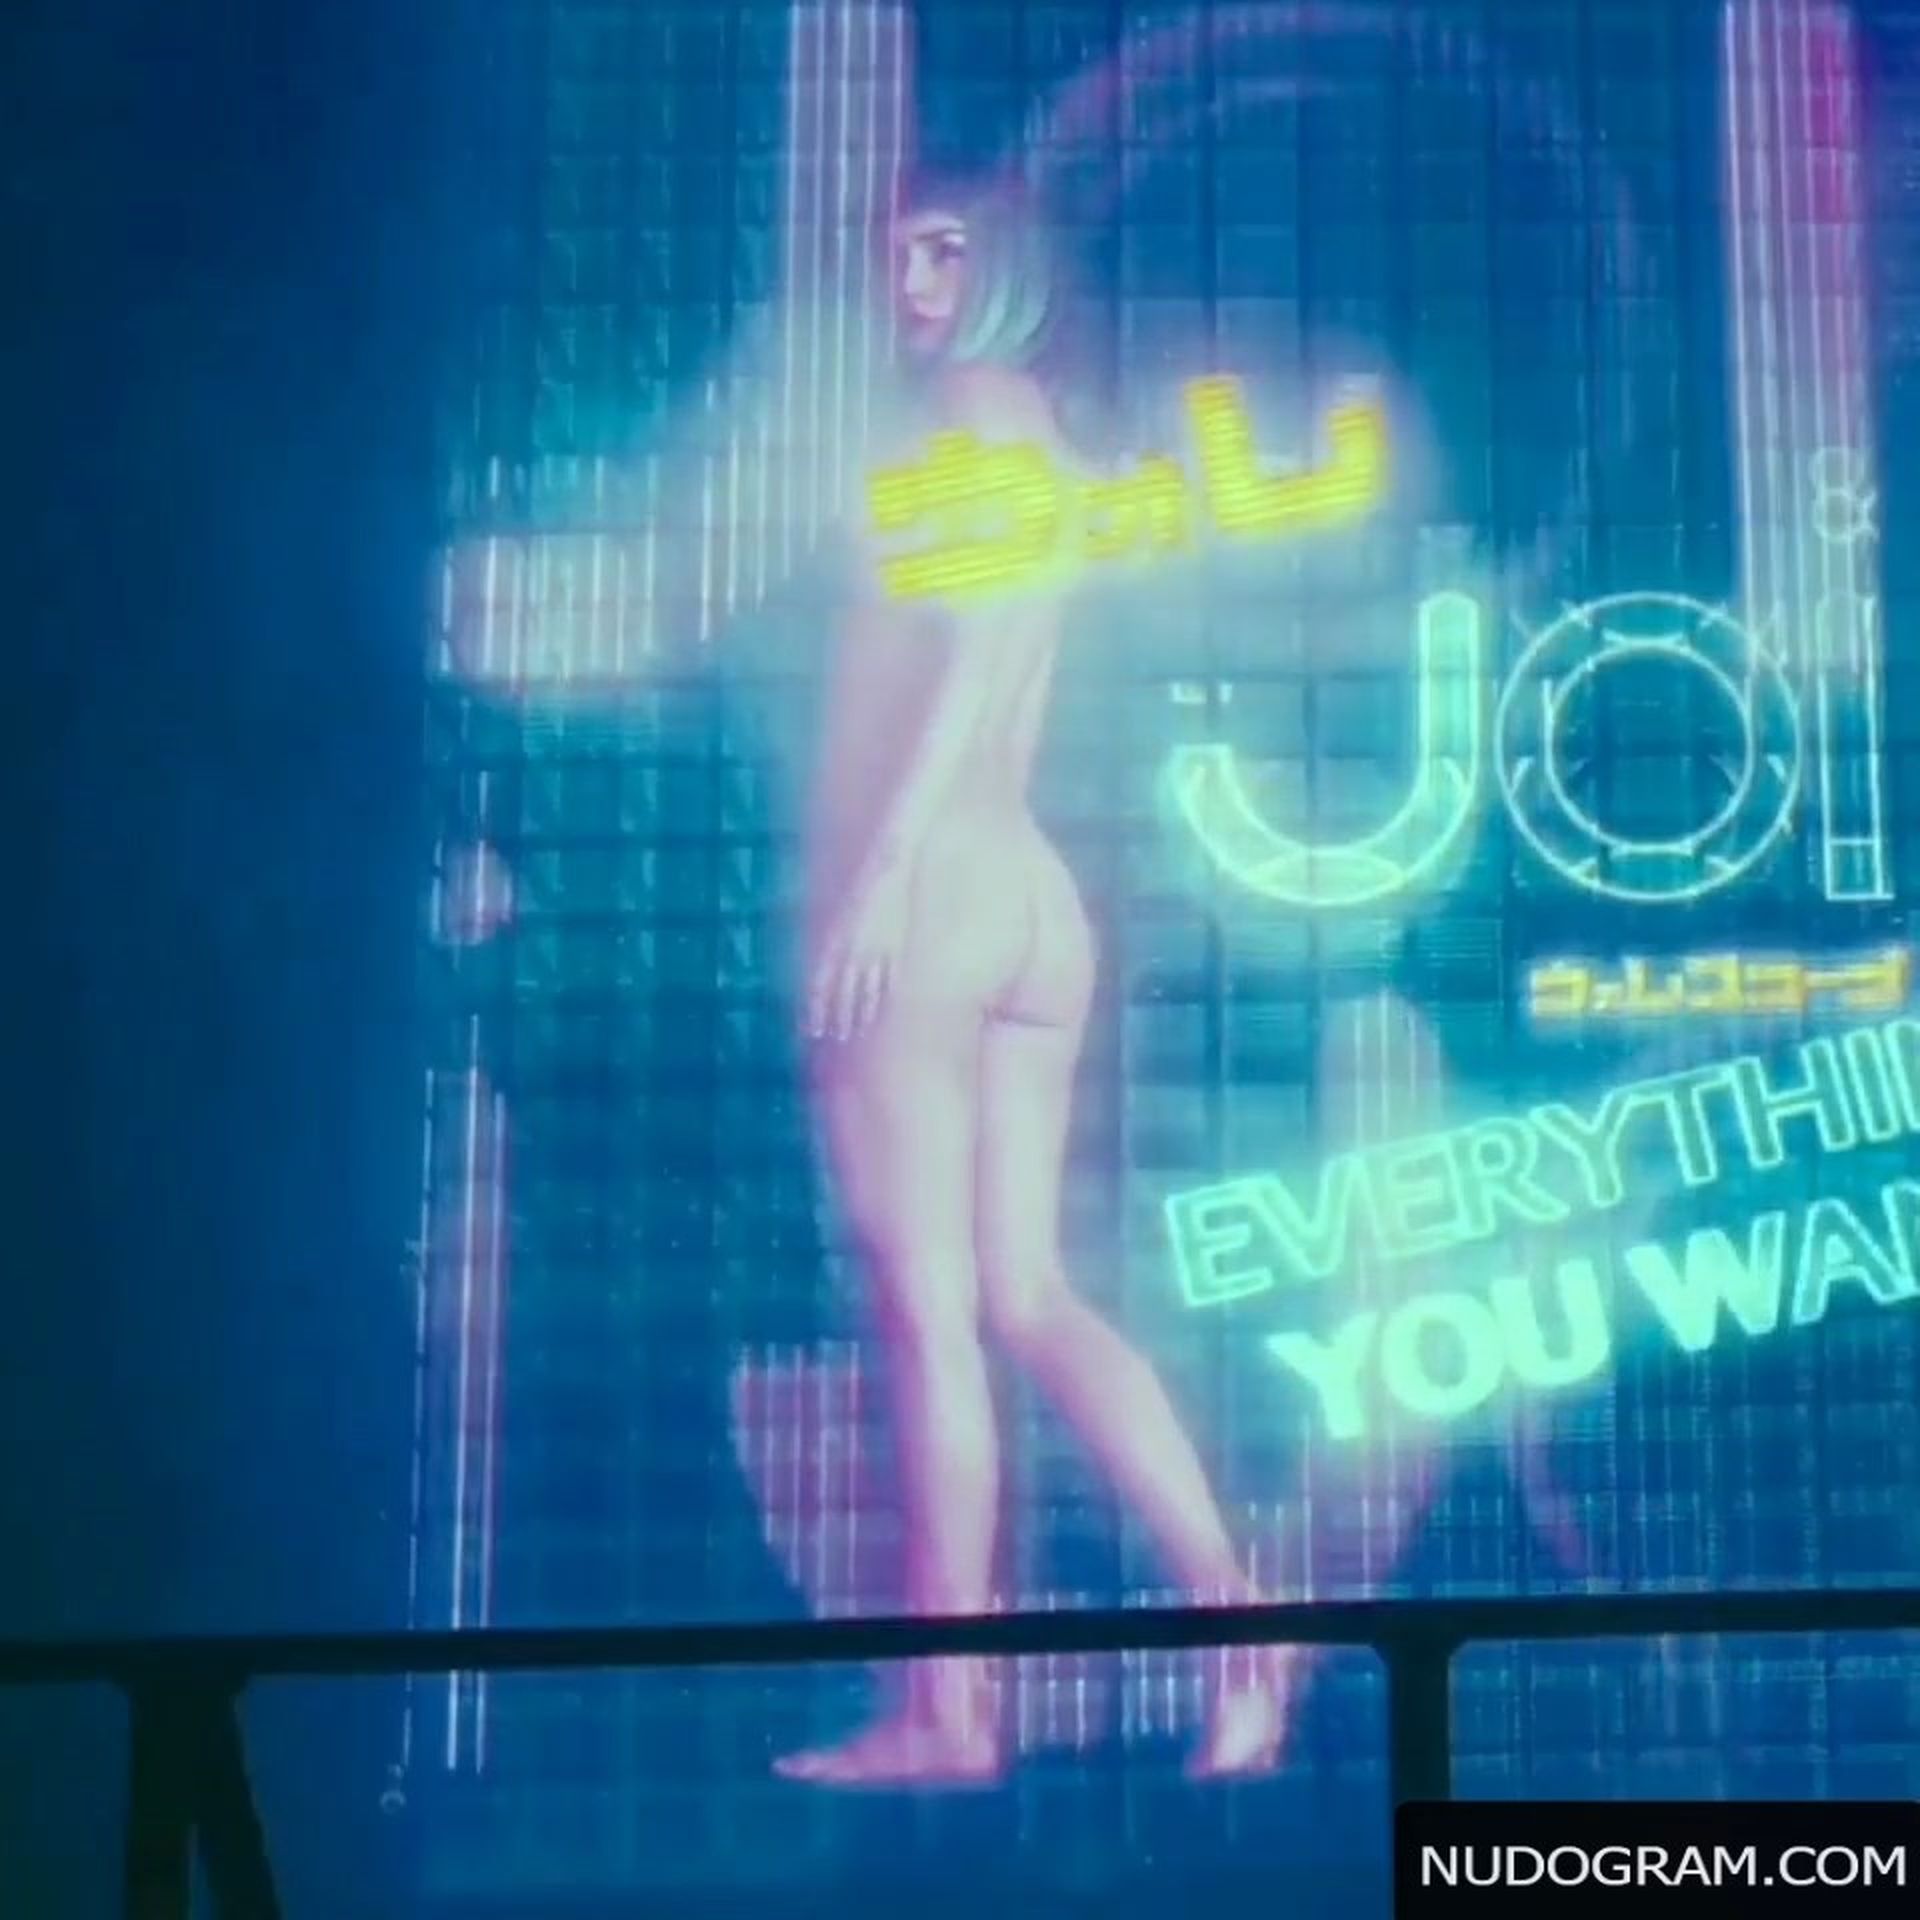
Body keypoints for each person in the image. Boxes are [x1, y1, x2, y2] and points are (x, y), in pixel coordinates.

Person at [777, 170, 1288, 1787]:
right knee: (1026, 1297)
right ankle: (1244, 1631)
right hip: (1025, 897)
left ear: (1008, 267)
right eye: (897, 255)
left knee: (928, 1312)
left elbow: (984, 643)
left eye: (946, 251)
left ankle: (949, 1713)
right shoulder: (1039, 436)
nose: (914, 280)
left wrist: (874, 879)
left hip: (935, 892)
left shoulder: (967, 420)